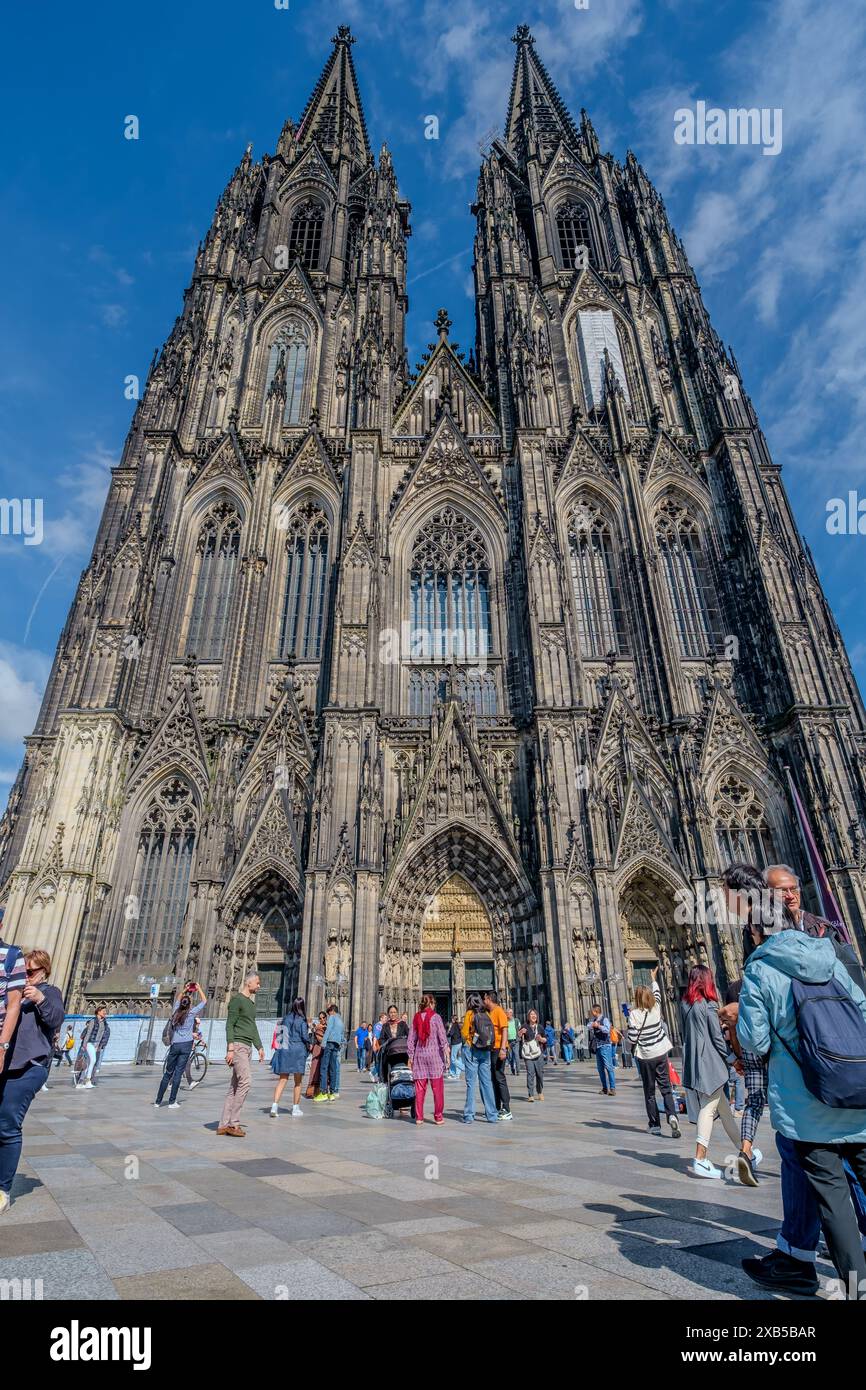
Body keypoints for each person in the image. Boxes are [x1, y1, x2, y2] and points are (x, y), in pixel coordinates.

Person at [738, 920, 866, 1299]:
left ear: (757, 933)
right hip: (856, 1093)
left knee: (833, 1202)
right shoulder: (830, 958)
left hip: (807, 1107)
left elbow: (754, 1039)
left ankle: (859, 1291)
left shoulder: (760, 968)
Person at [0, 948, 65, 1214]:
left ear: (44, 971)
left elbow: (56, 1018)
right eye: (21, 971)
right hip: (5, 1064)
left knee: (7, 1123)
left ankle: (2, 1189)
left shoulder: (50, 993)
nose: (25, 976)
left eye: (30, 972)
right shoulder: (12, 992)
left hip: (29, 1067)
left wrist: (39, 999)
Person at [681, 965, 741, 1178]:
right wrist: (733, 1059)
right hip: (710, 1064)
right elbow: (717, 1038)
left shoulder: (685, 1004)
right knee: (708, 1108)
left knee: (723, 1110)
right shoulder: (709, 1004)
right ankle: (700, 1159)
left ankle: (746, 1152)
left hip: (694, 1062)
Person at [626, 966, 681, 1138]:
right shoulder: (656, 1009)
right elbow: (657, 994)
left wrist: (629, 1040)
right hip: (661, 1053)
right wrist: (653, 978)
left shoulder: (633, 1014)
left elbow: (632, 1038)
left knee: (649, 1091)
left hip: (646, 1057)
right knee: (666, 1088)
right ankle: (672, 1115)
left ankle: (655, 1124)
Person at [217, 972, 263, 1138]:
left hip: (247, 1047)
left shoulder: (250, 1004)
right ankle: (233, 1123)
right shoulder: (237, 1000)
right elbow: (230, 1025)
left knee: (234, 1087)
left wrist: (259, 1046)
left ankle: (223, 1124)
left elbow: (252, 1026)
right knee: (246, 1081)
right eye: (257, 983)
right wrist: (230, 1048)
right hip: (238, 1047)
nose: (259, 986)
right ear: (249, 983)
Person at [154, 980, 206, 1109]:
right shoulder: (191, 1013)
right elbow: (204, 1001)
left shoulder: (176, 1012)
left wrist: (184, 990)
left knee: (168, 1073)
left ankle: (158, 1101)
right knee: (177, 1074)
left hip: (175, 1044)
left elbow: (177, 1000)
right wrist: (199, 989)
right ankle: (172, 1102)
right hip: (186, 1045)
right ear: (189, 1005)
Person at [408, 994, 449, 1124]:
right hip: (435, 1057)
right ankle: (438, 1117)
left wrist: (410, 1056)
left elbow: (411, 1040)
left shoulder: (415, 1018)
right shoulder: (436, 1018)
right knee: (437, 1089)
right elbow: (442, 1037)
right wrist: (446, 1052)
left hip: (420, 1056)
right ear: (431, 1003)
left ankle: (419, 1117)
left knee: (419, 1089)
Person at [461, 992, 499, 1124]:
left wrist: (468, 1043)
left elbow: (465, 1033)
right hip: (485, 1051)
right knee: (486, 1083)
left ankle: (469, 1115)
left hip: (472, 1050)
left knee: (471, 1083)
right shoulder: (486, 1014)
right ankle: (492, 1115)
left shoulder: (470, 1014)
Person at [270, 996, 310, 1118]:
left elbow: (279, 1035)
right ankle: (295, 1108)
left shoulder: (285, 1019)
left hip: (286, 1050)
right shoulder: (302, 1021)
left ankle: (274, 1106)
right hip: (298, 1051)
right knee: (298, 1081)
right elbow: (304, 1037)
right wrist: (309, 1044)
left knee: (282, 1080)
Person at [483, 989, 512, 1121]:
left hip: (498, 1049)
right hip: (491, 1049)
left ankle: (506, 1109)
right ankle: (496, 1107)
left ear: (489, 999)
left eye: (485, 999)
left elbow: (504, 1029)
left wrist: (503, 1049)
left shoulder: (499, 1011)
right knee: (493, 1079)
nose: (483, 1001)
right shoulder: (489, 1013)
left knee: (499, 1078)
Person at [317, 1002, 345, 1101]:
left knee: (324, 1067)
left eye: (329, 1011)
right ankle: (332, 1093)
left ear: (333, 1011)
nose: (328, 1014)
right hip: (336, 1045)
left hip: (329, 1043)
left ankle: (323, 1092)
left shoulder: (332, 1017)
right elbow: (342, 1036)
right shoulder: (341, 1021)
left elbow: (328, 1030)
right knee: (333, 1068)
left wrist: (323, 1043)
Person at [78, 1006, 111, 1088]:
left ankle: (81, 1082)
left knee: (89, 1062)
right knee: (93, 1060)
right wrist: (84, 1045)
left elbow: (101, 1035)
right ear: (98, 1012)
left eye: (105, 1011)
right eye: (103, 1011)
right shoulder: (93, 1021)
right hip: (89, 1043)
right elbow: (88, 1033)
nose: (105, 1012)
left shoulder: (104, 1023)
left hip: (96, 1045)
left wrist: (99, 1045)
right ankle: (87, 1080)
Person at [518, 1010, 546, 1102]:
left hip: (538, 1053)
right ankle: (530, 1094)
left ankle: (540, 1091)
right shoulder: (524, 1026)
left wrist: (541, 1039)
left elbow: (545, 1039)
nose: (533, 1016)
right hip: (528, 1054)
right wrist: (520, 1033)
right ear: (528, 1017)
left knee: (540, 1074)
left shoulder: (540, 1027)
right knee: (530, 1074)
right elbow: (518, 1038)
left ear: (537, 1016)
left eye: (535, 1014)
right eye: (531, 1014)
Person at [589, 1005, 616, 1096]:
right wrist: (592, 1025)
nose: (591, 1013)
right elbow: (588, 1026)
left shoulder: (604, 1019)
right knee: (600, 1069)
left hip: (605, 1046)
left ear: (596, 1011)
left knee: (609, 1067)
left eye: (592, 1011)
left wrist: (599, 1026)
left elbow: (607, 1030)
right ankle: (605, 1088)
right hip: (598, 1046)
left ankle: (612, 1088)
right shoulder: (594, 1021)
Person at [305, 1010, 327, 1098]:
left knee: (322, 1070)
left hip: (324, 1050)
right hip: (317, 1049)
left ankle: (320, 1090)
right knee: (314, 1070)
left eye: (323, 1018)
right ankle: (311, 1091)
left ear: (326, 1018)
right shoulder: (318, 1027)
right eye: (320, 1018)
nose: (322, 1019)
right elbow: (320, 1039)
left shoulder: (327, 1027)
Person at [505, 1008, 520, 1075]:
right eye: (507, 1013)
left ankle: (518, 1071)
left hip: (516, 1041)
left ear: (511, 1013)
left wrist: (521, 1038)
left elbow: (520, 1029)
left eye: (508, 1013)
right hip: (508, 1041)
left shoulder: (516, 1020)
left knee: (516, 1055)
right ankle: (512, 1069)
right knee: (510, 1057)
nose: (507, 1014)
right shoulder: (505, 1021)